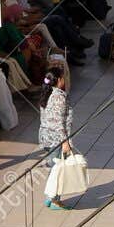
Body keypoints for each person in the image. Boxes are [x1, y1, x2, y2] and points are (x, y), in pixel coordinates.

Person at [38, 63, 77, 210]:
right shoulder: (58, 97)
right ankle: (53, 199)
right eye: (64, 78)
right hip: (56, 139)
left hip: (47, 137)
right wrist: (64, 142)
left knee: (54, 168)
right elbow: (58, 122)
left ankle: (51, 196)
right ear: (59, 79)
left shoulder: (46, 93)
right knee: (57, 169)